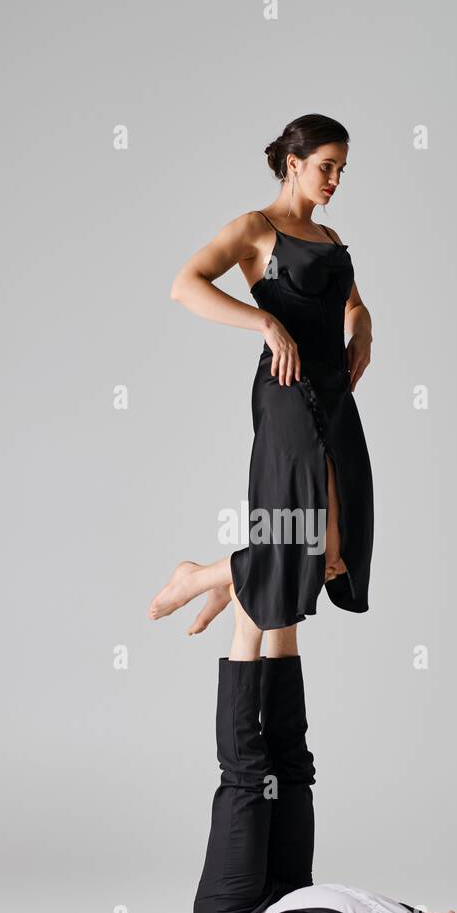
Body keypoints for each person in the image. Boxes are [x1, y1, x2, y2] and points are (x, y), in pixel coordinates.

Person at [69, 596, 457, 913]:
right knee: (292, 767)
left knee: (249, 777)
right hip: (291, 892)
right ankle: (278, 608)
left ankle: (246, 614)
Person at [147, 112, 373, 640]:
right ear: (293, 164)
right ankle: (200, 577)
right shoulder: (256, 228)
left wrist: (363, 331)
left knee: (333, 550)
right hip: (288, 388)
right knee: (297, 542)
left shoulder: (329, 235)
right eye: (325, 167)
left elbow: (354, 305)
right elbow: (186, 285)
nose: (334, 181)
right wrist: (265, 321)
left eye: (341, 170)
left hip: (336, 394)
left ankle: (223, 578)